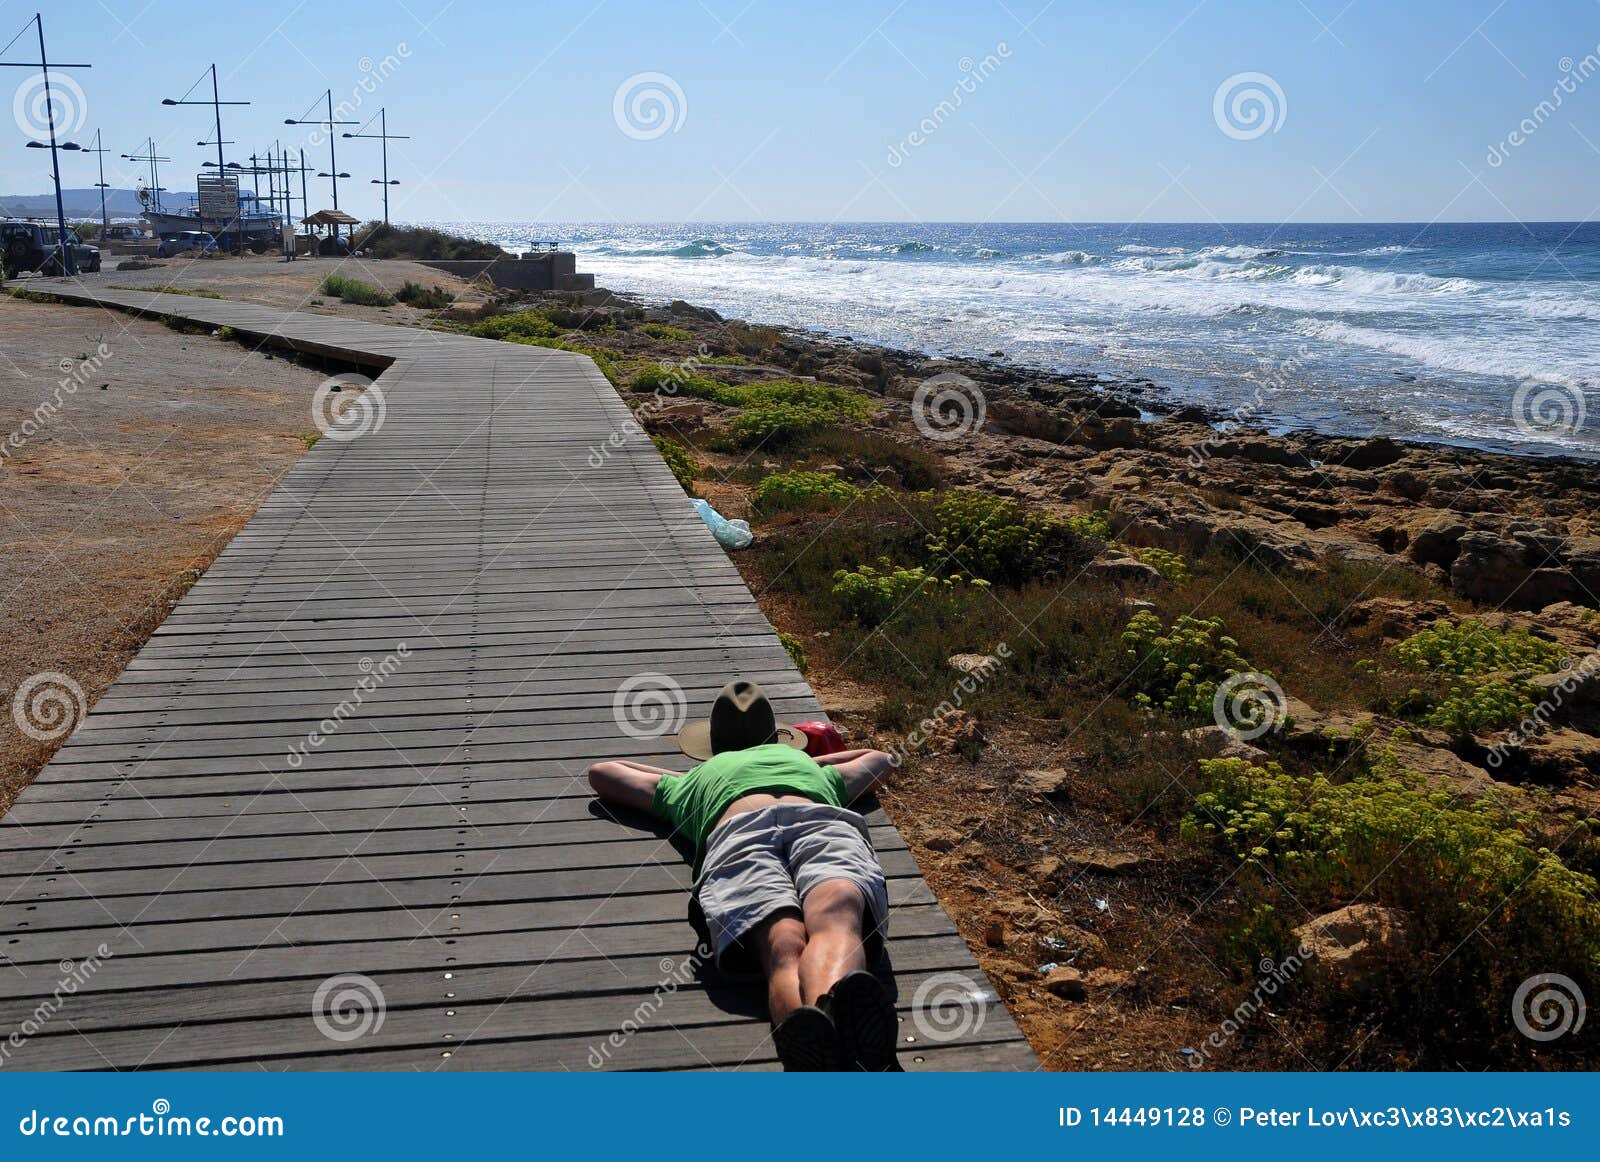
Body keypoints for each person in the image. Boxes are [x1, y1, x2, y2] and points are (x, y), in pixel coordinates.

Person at [587, 678, 900, 1071]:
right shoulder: (807, 767)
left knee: (781, 944)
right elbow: (881, 759)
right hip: (818, 821)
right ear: (776, 739)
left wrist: (687, 776)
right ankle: (840, 1016)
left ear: (712, 747)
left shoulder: (693, 784)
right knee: (838, 916)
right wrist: (808, 760)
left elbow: (603, 772)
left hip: (740, 834)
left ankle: (812, 1045)